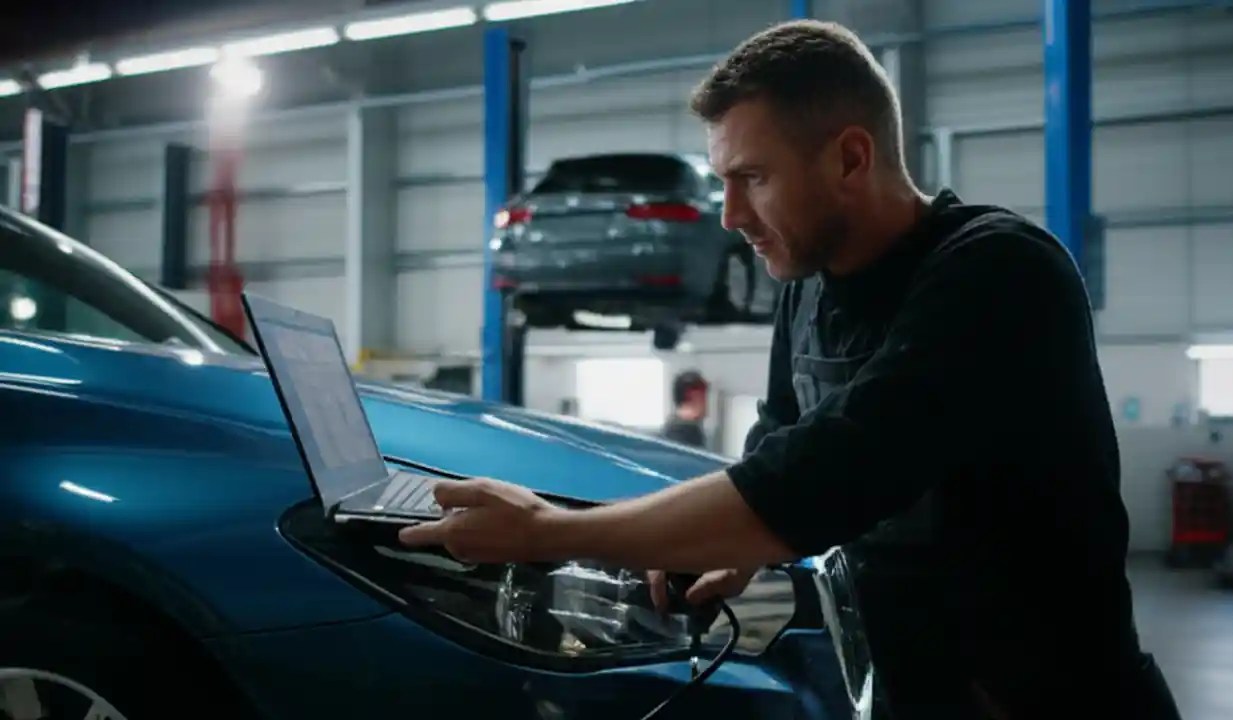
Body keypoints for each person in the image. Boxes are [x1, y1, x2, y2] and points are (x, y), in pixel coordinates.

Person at [400, 20, 1182, 720]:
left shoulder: (998, 273)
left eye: (754, 178)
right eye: (722, 185)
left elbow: (830, 471)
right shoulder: (807, 285)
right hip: (912, 692)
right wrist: (742, 544)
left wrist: (550, 534)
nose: (731, 218)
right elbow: (780, 441)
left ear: (850, 157)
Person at [659, 370, 709, 448]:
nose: (706, 403)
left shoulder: (675, 428)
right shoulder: (683, 432)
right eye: (703, 397)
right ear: (694, 396)